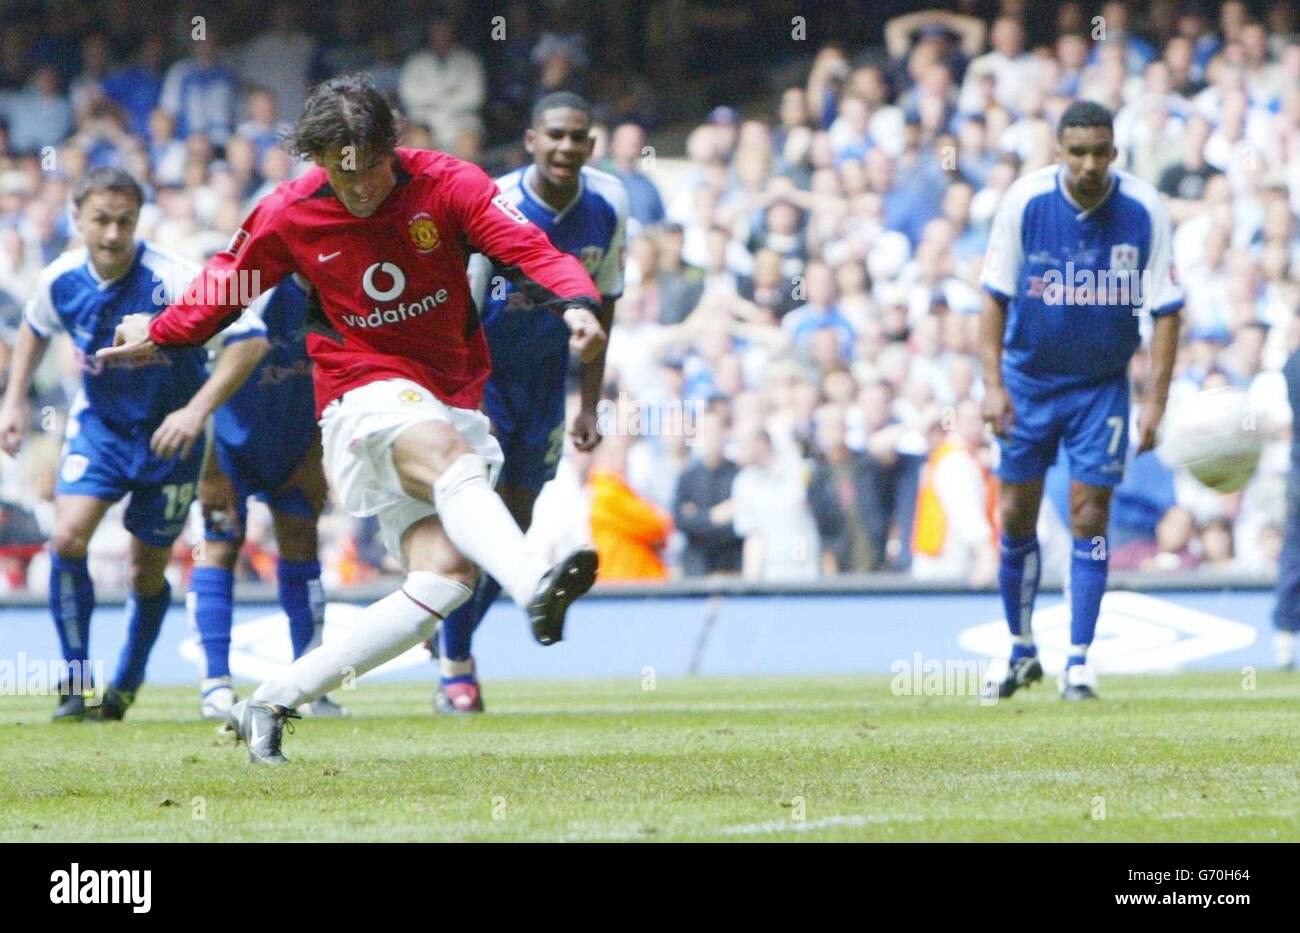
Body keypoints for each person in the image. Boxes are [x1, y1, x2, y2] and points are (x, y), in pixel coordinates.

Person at [99, 74, 606, 764]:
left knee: (444, 579)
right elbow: (228, 282)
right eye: (341, 172)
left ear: (389, 149)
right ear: (317, 160)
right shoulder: (289, 211)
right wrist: (159, 331)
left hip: (450, 388)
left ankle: (272, 698)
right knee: (448, 459)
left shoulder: (449, 185)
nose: (358, 186)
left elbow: (531, 252)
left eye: (368, 168)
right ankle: (531, 584)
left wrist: (576, 300)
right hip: (358, 390)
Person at [0, 167, 269, 722]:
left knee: (148, 571)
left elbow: (249, 340)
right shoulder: (60, 278)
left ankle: (123, 686)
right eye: (101, 220)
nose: (113, 234)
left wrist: (196, 412)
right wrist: (14, 401)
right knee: (68, 537)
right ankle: (75, 686)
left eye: (125, 221)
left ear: (139, 221)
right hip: (98, 429)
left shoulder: (174, 278)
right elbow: (33, 326)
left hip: (168, 439)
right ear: (77, 219)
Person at [979, 101, 1182, 701]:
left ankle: (1079, 661)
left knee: (1091, 516)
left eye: (1100, 151)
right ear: (1059, 152)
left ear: (1114, 152)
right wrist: (992, 386)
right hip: (1028, 382)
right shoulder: (1026, 203)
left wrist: (1156, 402)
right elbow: (992, 297)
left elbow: (1168, 311)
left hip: (1101, 386)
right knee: (1016, 516)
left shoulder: (1144, 210)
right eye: (1078, 152)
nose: (1089, 163)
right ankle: (1020, 649)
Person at [433, 91, 626, 714]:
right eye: (556, 135)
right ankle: (455, 669)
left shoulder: (610, 204)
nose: (567, 147)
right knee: (478, 530)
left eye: (578, 136)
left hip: (545, 384)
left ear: (590, 145)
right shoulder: (498, 200)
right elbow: (461, 306)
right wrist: (457, 395)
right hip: (486, 382)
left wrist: (588, 405)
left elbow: (607, 306)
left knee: (513, 529)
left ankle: (452, 644)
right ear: (531, 140)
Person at [188, 274, 345, 721]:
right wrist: (209, 467)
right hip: (228, 450)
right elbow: (202, 370)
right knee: (218, 548)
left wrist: (316, 449)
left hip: (295, 444)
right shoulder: (252, 290)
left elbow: (334, 374)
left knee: (301, 543)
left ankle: (312, 683)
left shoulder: (340, 284)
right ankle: (215, 684)